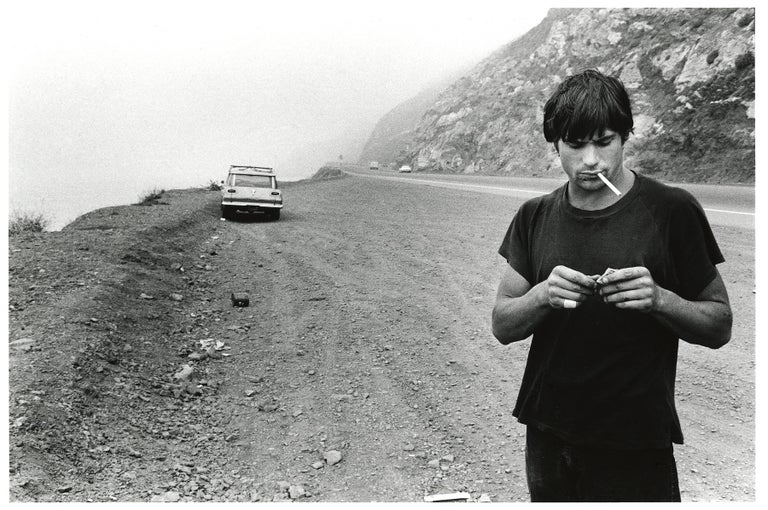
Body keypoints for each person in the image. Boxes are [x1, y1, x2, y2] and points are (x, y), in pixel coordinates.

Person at [491, 69, 732, 502]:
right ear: (555, 144)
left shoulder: (670, 210)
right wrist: (543, 294)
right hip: (547, 433)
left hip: (635, 441)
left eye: (604, 142)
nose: (591, 161)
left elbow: (719, 325)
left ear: (625, 137)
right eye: (575, 144)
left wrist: (660, 299)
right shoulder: (534, 215)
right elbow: (503, 324)